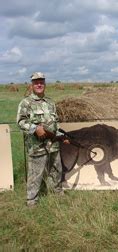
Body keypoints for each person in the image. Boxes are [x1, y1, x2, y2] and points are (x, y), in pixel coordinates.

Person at [17, 72, 69, 207]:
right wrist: (35, 128)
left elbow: (55, 123)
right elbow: (20, 122)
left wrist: (61, 136)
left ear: (44, 84)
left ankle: (57, 192)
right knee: (35, 173)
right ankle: (31, 200)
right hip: (37, 146)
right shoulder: (26, 103)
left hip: (53, 144)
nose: (39, 84)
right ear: (32, 85)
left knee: (56, 169)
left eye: (41, 82)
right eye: (36, 82)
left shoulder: (50, 103)